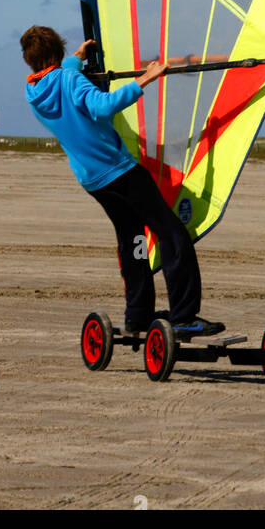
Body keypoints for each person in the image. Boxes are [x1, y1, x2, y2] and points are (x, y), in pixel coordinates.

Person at [21, 25, 222, 335]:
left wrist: (76, 58)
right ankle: (184, 316)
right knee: (171, 234)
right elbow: (103, 106)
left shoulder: (34, 92)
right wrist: (147, 78)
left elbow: (62, 76)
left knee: (132, 239)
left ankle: (138, 315)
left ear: (30, 60)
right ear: (56, 52)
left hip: (93, 181)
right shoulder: (69, 79)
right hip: (120, 171)